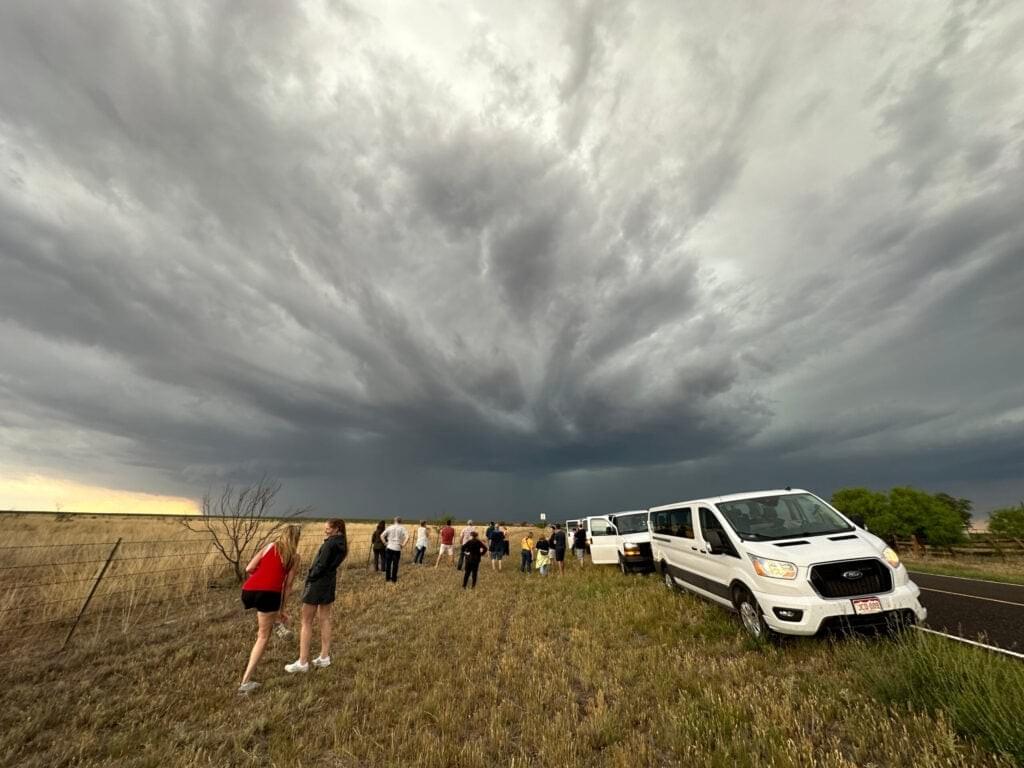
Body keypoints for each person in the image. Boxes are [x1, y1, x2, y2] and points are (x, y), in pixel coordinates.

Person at [238, 525, 301, 694]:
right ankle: (245, 682)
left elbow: (249, 568)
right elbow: (288, 586)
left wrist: (260, 576)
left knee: (266, 614)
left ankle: (276, 621)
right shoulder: (294, 557)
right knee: (263, 636)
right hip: (269, 594)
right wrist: (282, 609)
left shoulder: (269, 546)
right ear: (296, 539)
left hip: (248, 590)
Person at [285, 519, 347, 674]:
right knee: (325, 618)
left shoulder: (330, 544)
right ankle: (324, 657)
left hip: (317, 583)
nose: (325, 530)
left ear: (336, 528)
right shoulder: (342, 543)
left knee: (306, 621)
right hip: (329, 582)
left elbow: (321, 565)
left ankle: (302, 662)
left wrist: (310, 577)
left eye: (328, 528)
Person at [382, 517, 408, 583]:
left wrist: (385, 543)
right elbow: (408, 537)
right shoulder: (402, 528)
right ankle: (394, 579)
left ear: (394, 521)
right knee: (395, 565)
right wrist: (403, 545)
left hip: (389, 547)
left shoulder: (390, 527)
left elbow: (381, 536)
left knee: (388, 564)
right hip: (397, 548)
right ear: (400, 521)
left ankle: (387, 579)